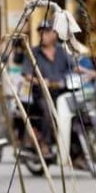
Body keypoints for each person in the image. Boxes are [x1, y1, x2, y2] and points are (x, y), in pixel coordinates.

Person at [21, 19, 75, 156]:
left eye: (47, 32)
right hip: (42, 94)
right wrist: (41, 81)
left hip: (62, 92)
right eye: (41, 32)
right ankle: (45, 143)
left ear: (54, 34)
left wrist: (89, 72)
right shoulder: (33, 52)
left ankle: (74, 146)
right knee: (48, 111)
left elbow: (74, 67)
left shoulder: (62, 51)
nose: (43, 35)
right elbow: (27, 75)